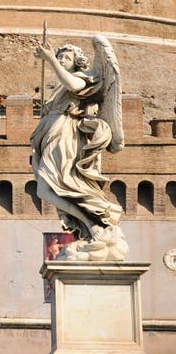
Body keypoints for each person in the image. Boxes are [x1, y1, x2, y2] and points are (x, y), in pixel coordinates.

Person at [31, 36, 127, 261]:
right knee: (45, 190)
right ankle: (89, 227)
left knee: (56, 185)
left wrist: (50, 60)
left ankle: (95, 225)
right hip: (51, 139)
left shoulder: (84, 78)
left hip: (67, 138)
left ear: (77, 62)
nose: (61, 59)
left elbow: (73, 85)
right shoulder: (59, 90)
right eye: (59, 56)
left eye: (66, 57)